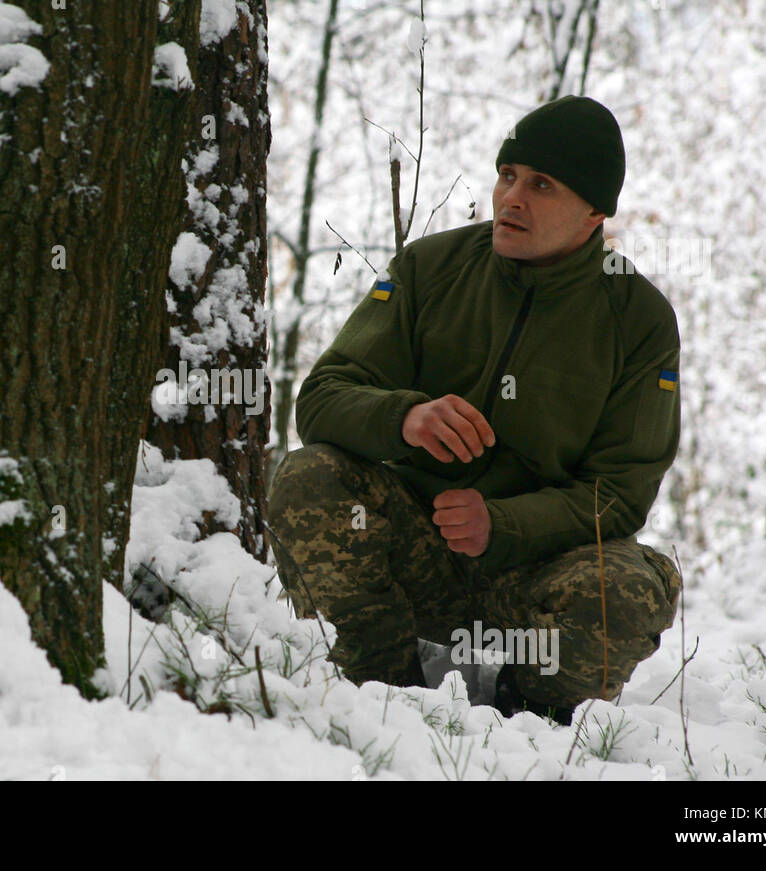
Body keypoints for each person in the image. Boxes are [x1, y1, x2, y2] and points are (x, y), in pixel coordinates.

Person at [267, 96, 683, 725]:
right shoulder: (429, 268)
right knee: (306, 477)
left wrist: (504, 523)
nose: (512, 197)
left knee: (626, 589)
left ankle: (534, 715)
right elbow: (322, 397)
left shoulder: (639, 319)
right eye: (507, 174)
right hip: (413, 555)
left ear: (595, 210)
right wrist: (404, 418)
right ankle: (385, 689)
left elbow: (620, 494)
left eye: (541, 184)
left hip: (537, 573)